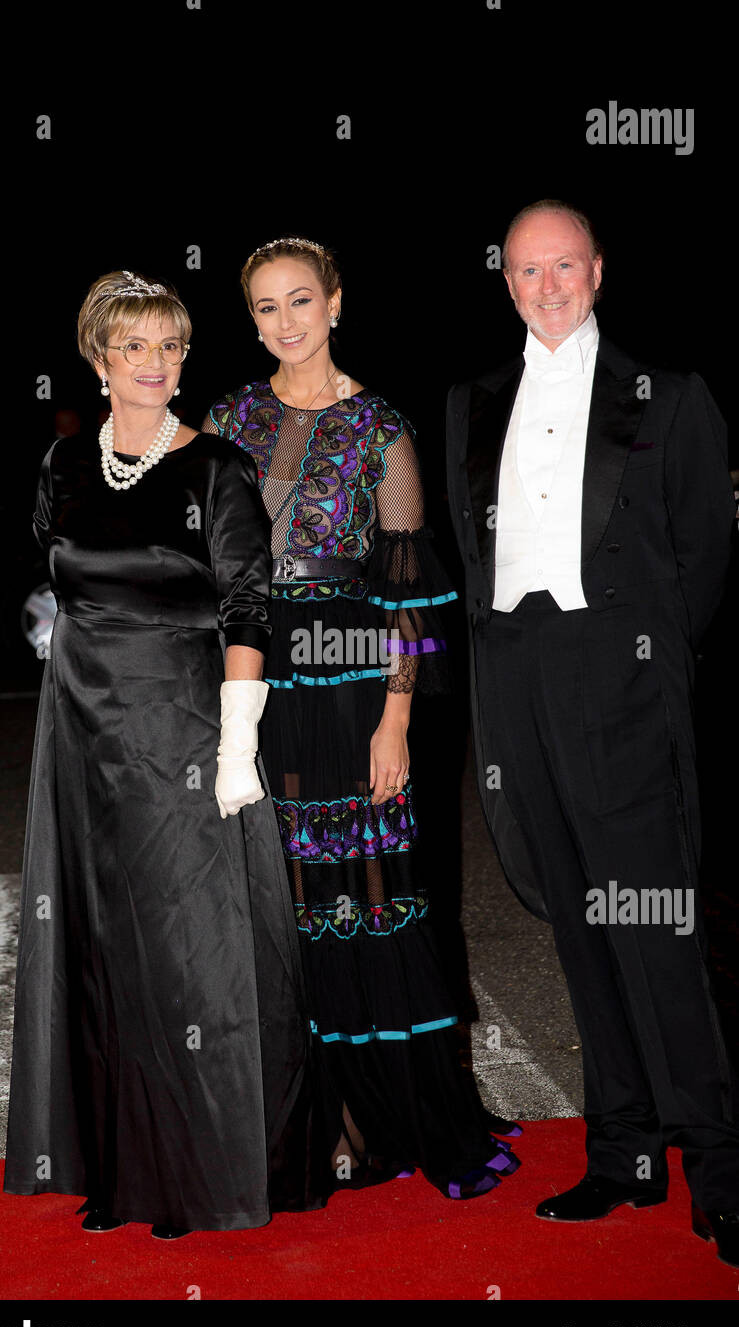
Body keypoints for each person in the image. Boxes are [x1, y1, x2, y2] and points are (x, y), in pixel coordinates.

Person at [4, 270, 327, 1239]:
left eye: (172, 346)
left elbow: (247, 606)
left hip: (184, 732)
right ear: (98, 357)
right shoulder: (63, 464)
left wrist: (237, 746)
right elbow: (50, 572)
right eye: (135, 347)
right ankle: (123, 1169)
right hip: (81, 730)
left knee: (190, 961)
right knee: (103, 952)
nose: (156, 364)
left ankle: (203, 1172)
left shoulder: (215, 471)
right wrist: (50, 628)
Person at [446, 200, 739, 1267]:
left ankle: (718, 1166)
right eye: (528, 270)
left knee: (655, 932)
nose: (547, 285)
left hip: (618, 675)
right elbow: (470, 563)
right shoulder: (469, 404)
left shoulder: (673, 396)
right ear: (508, 282)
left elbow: (702, 559)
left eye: (564, 264)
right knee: (576, 926)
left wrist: (635, 657)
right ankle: (622, 1156)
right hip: (516, 683)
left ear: (598, 271)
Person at [201, 236, 521, 1201]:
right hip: (252, 678)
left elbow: (410, 594)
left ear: (336, 304)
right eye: (265, 307)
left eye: (301, 300)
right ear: (250, 317)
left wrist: (396, 722)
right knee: (284, 902)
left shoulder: (381, 429)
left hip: (349, 686)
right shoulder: (225, 420)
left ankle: (399, 1113)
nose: (285, 321)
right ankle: (319, 1120)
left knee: (370, 898)